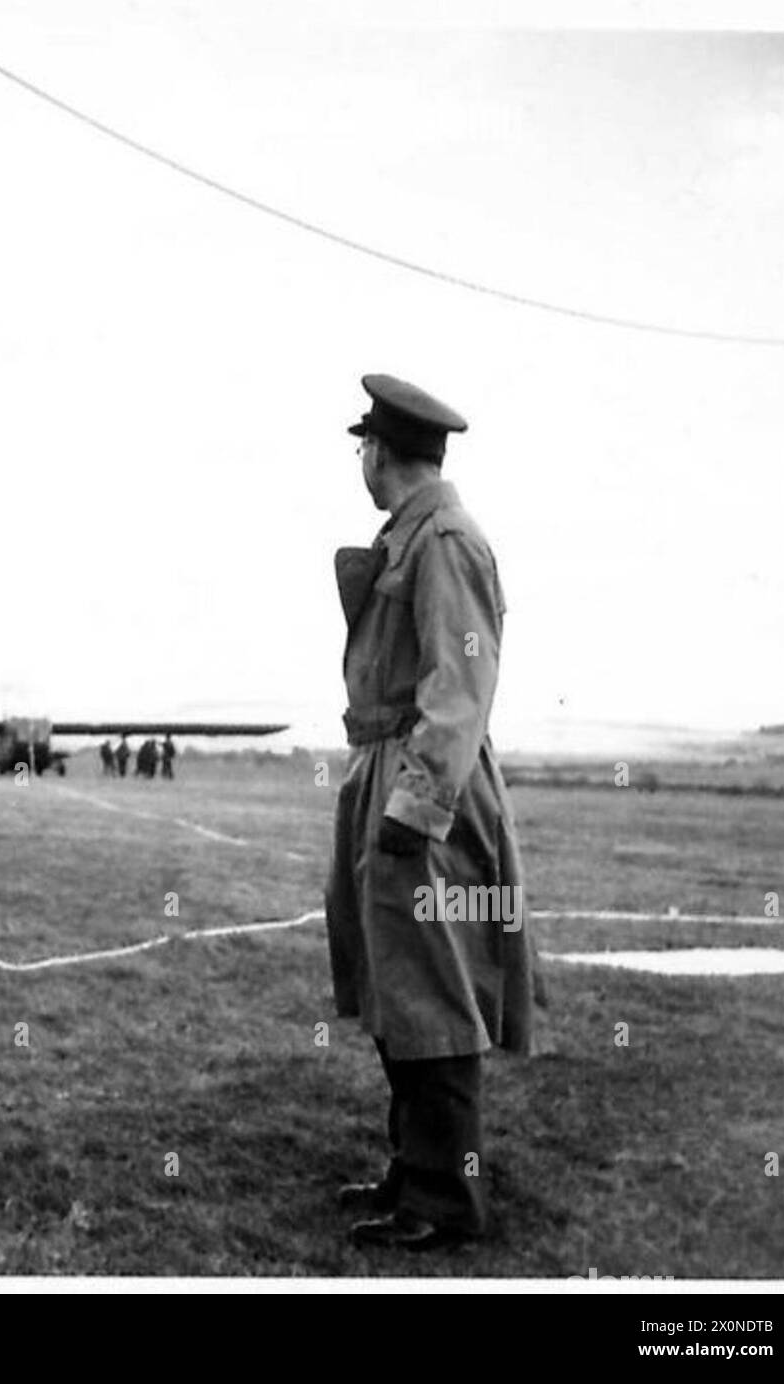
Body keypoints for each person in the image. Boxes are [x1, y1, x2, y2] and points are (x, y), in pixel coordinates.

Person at [325, 373, 536, 1253]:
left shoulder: (444, 541)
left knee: (432, 996)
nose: (360, 461)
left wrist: (416, 808)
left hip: (423, 788)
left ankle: (447, 1202)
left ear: (379, 450)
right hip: (388, 770)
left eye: (361, 447)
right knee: (394, 990)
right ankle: (415, 1172)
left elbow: (460, 687)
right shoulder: (413, 536)